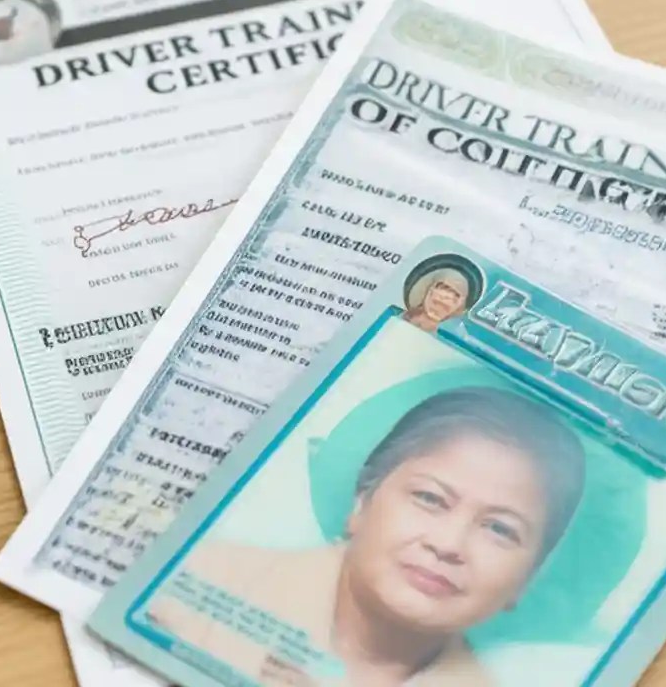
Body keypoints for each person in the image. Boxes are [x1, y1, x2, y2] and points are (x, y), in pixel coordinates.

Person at [148, 387, 586, 686]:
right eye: (431, 499)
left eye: (499, 529)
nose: (449, 544)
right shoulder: (180, 582)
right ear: (362, 503)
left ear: (528, 578)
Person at [403, 267, 472, 332]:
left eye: (444, 307)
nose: (445, 298)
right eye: (436, 302)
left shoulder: (447, 338)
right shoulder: (400, 318)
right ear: (428, 291)